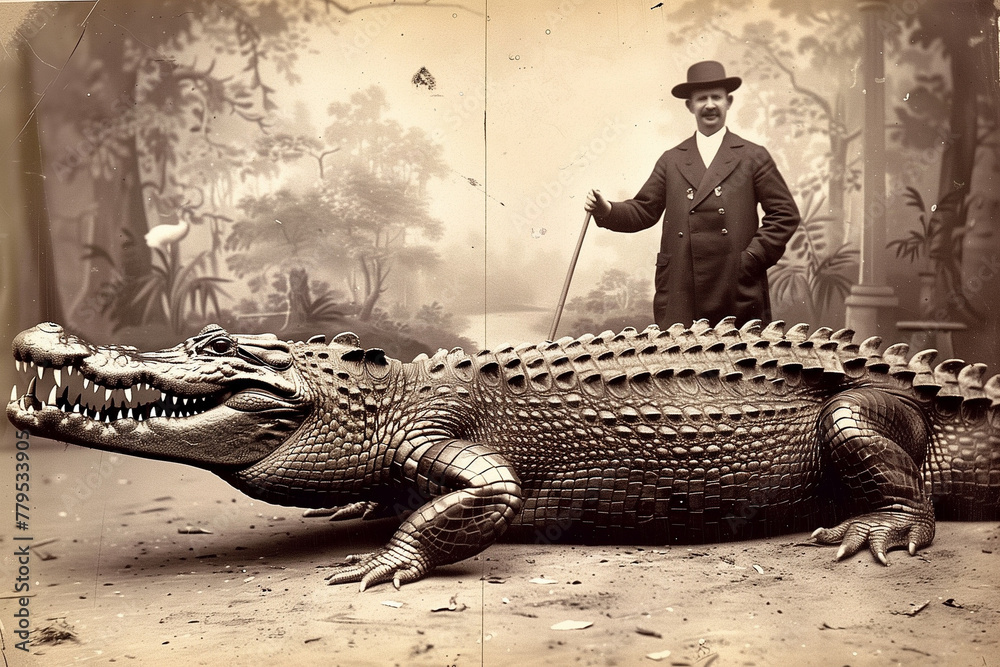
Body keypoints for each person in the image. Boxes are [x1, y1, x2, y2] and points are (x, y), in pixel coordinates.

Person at [585, 60, 800, 329]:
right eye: (701, 99)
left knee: (738, 367)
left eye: (716, 97)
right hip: (682, 285)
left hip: (735, 286)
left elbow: (785, 214)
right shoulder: (672, 160)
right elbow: (643, 210)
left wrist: (752, 258)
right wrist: (607, 210)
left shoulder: (753, 156)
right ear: (690, 106)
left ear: (729, 102)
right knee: (682, 367)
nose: (710, 105)